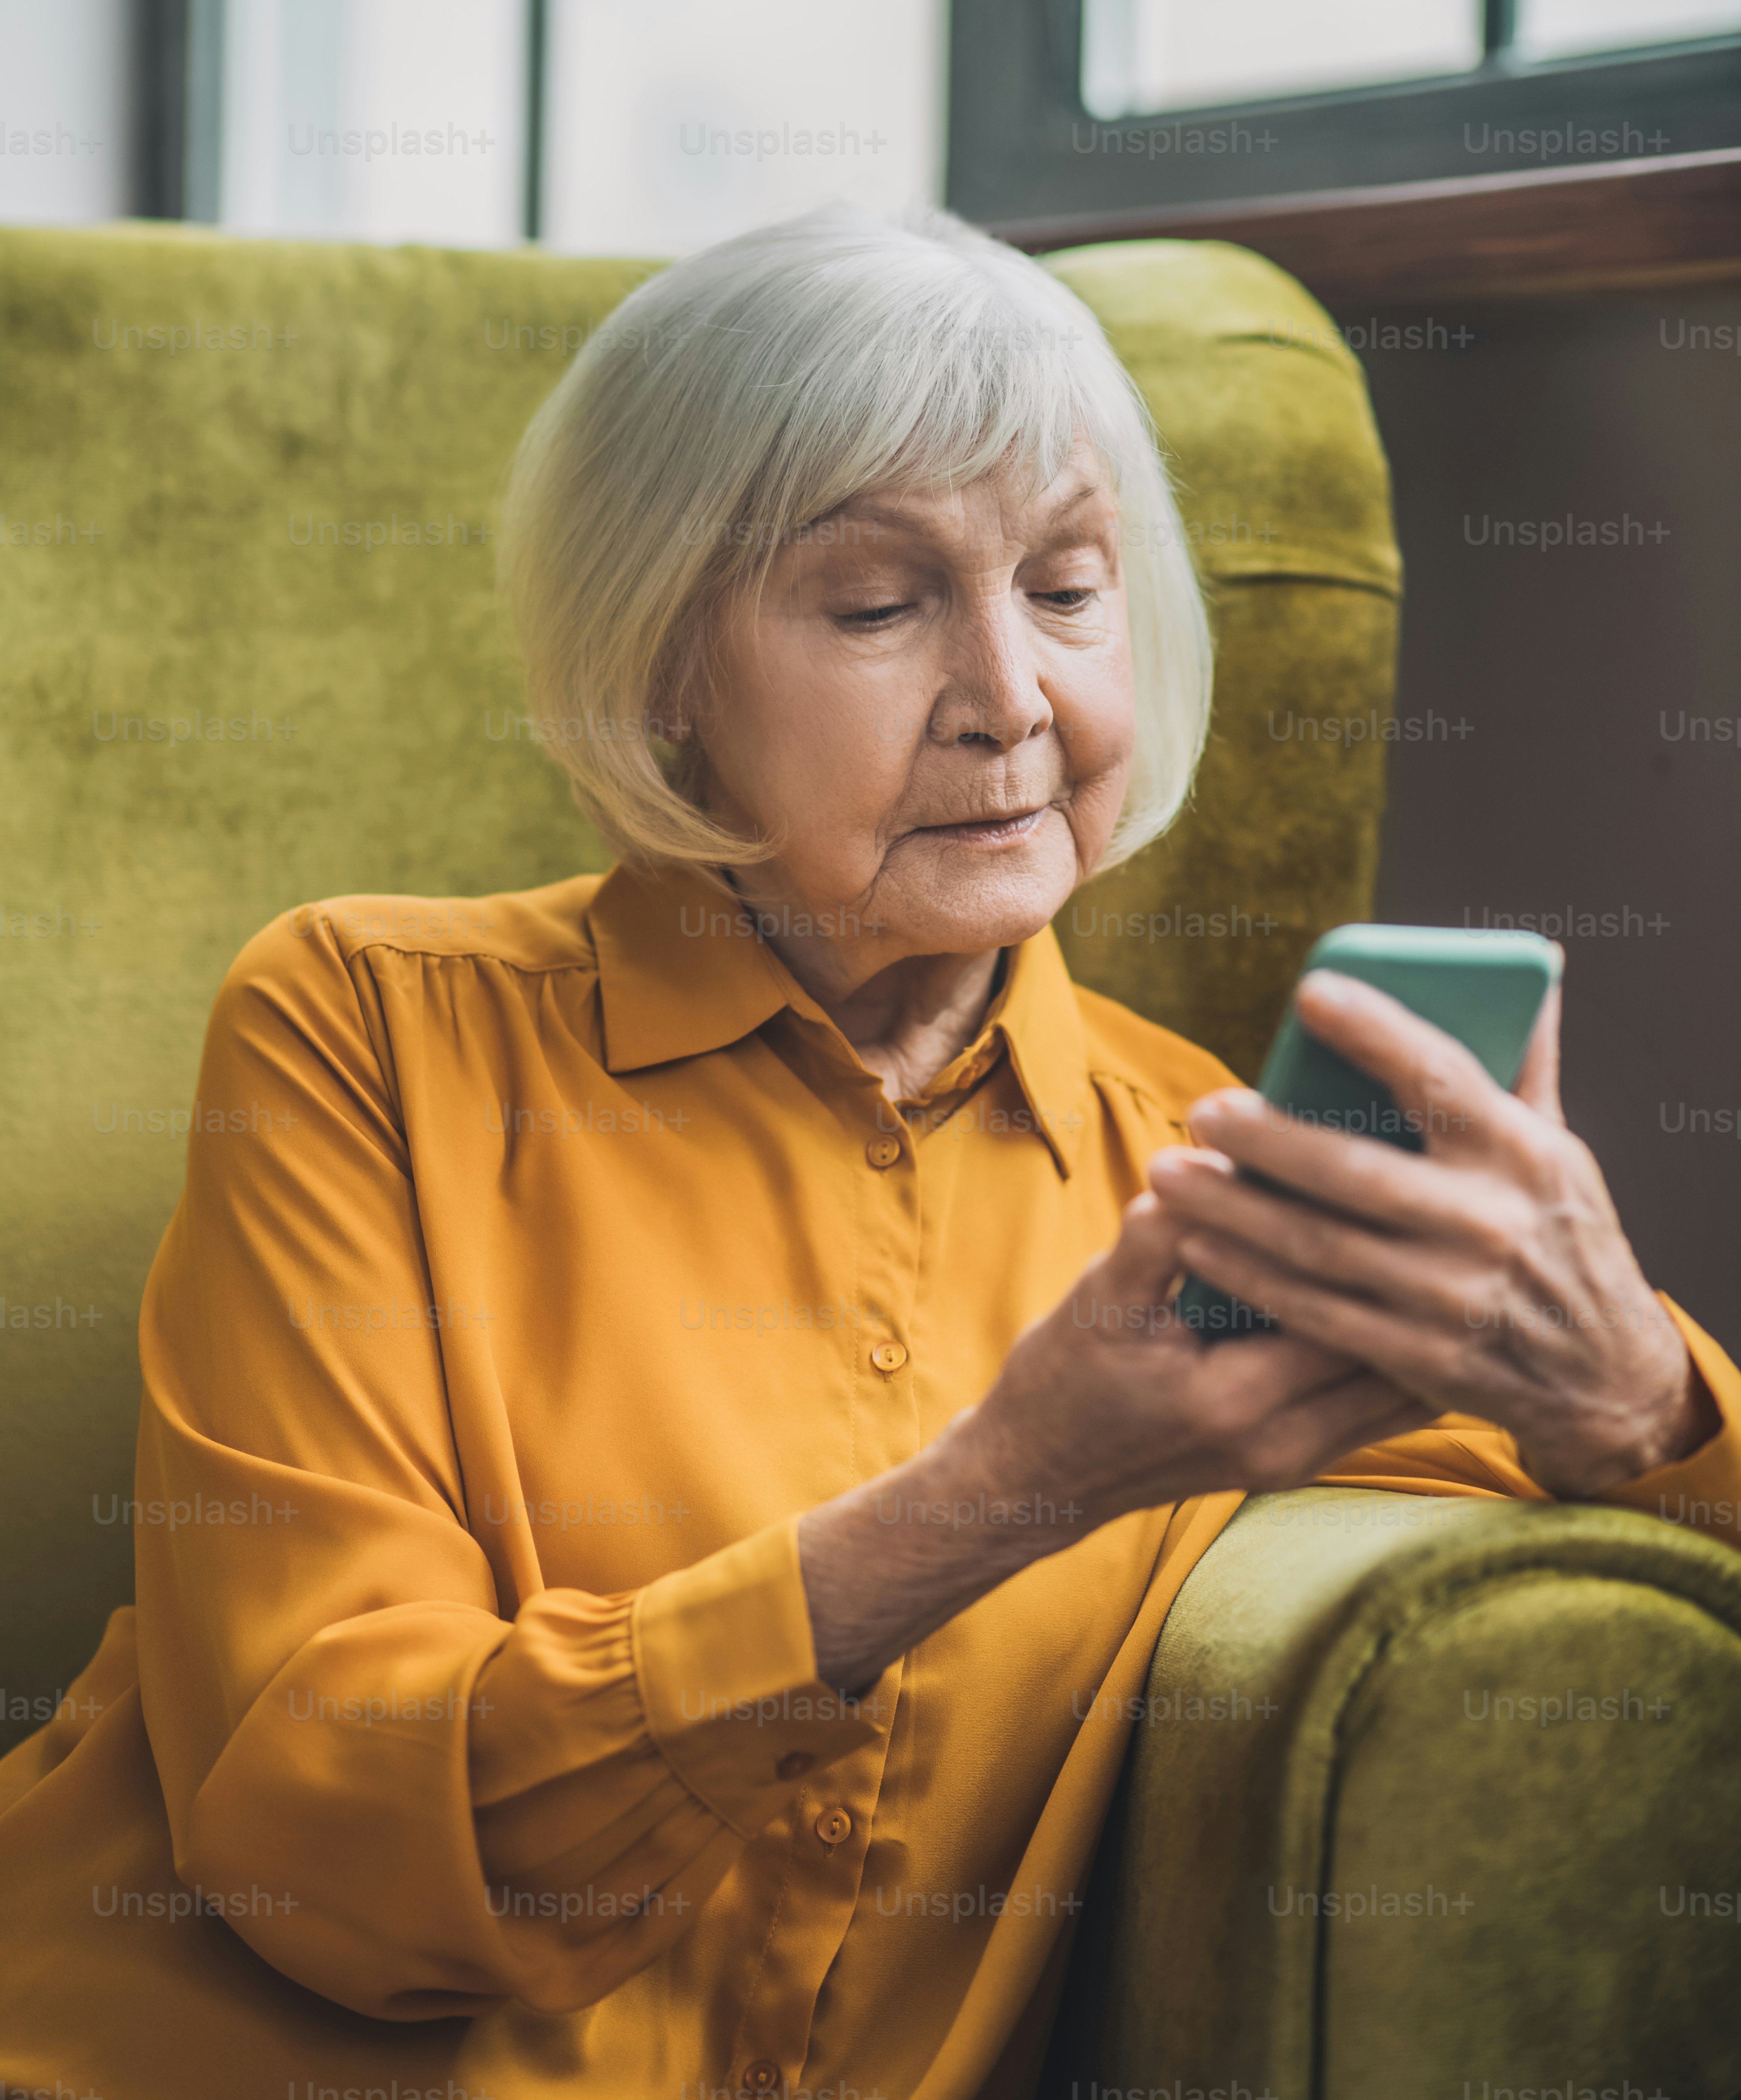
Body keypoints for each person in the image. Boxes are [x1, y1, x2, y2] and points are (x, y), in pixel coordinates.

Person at [2, 204, 1736, 2100]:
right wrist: (1007, 1489)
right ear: (669, 673)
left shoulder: (1205, 1176)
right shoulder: (366, 1026)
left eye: (1069, 592)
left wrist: (1634, 1392)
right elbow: (317, 1825)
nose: (1010, 696)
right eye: (877, 607)